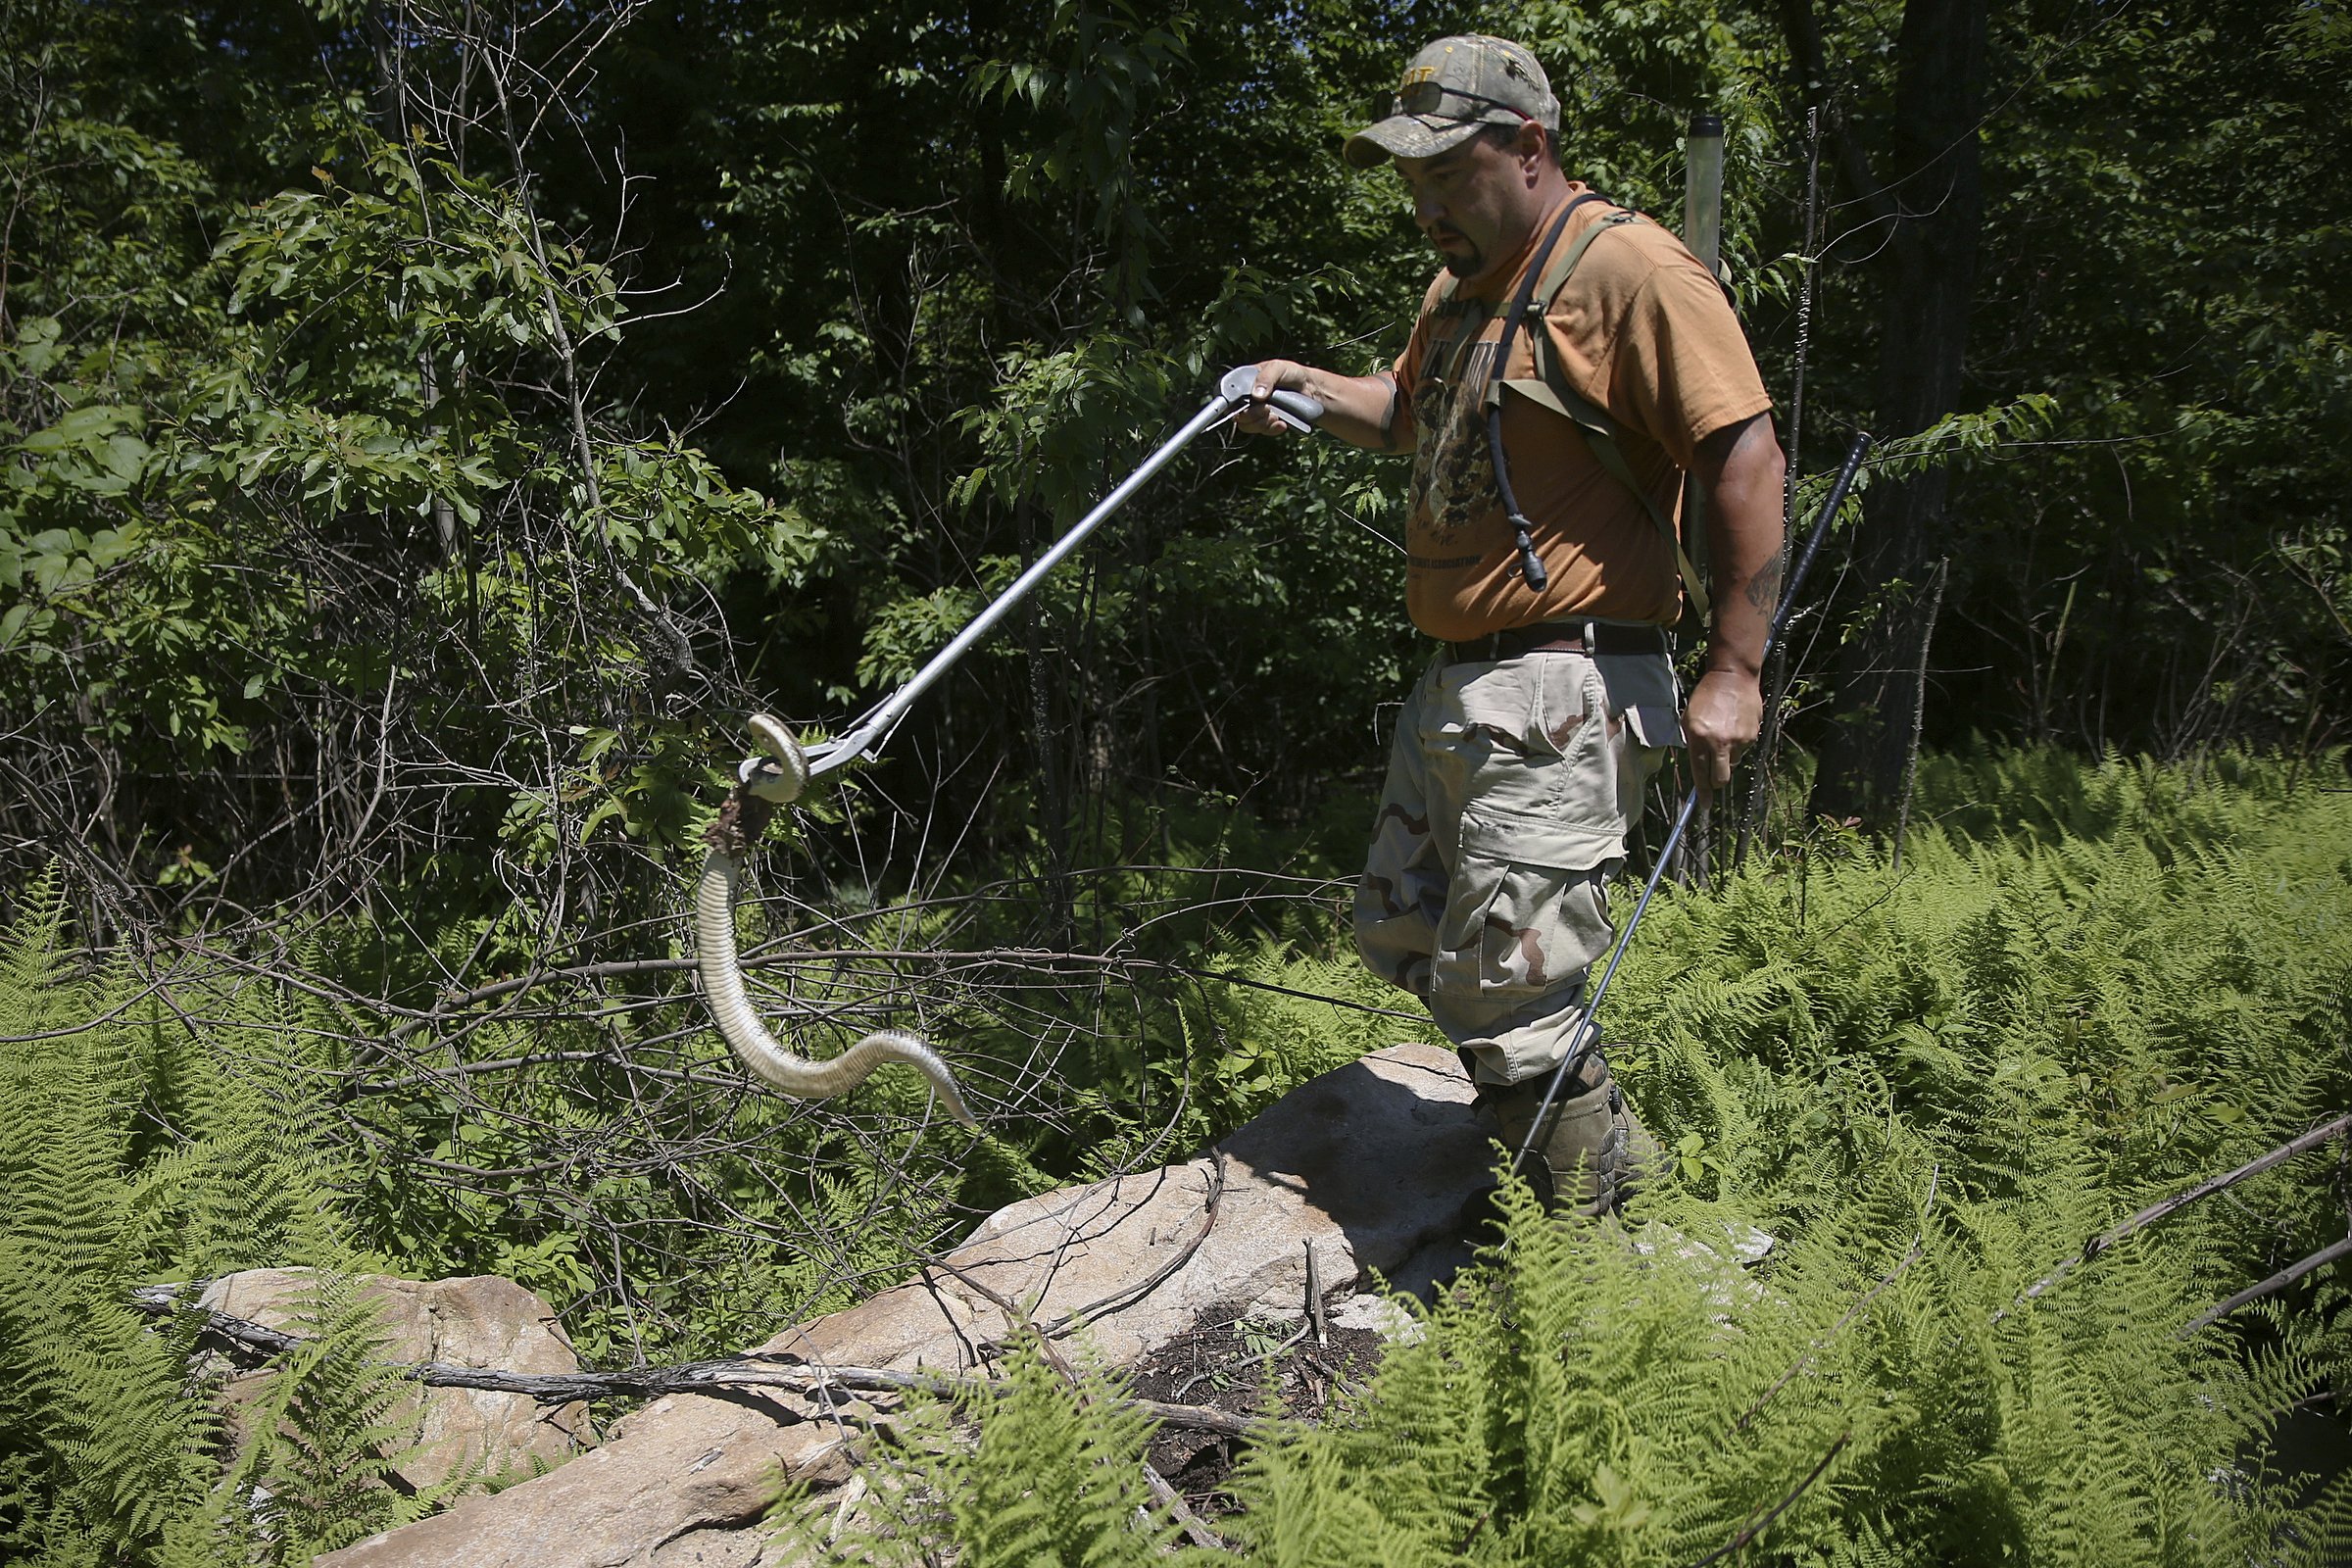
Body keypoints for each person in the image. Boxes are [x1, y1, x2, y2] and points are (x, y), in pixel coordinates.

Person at [1237, 34, 1787, 1215]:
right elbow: (1403, 416)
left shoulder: (1632, 271)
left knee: (1512, 984)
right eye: (1410, 181)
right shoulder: (1461, 291)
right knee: (1406, 923)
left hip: (1566, 687)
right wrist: (1306, 386)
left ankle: (1585, 1254)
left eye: (1449, 175)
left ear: (1528, 149)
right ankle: (1545, 1149)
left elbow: (1743, 455)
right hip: (1460, 688)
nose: (1426, 204)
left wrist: (1736, 669)